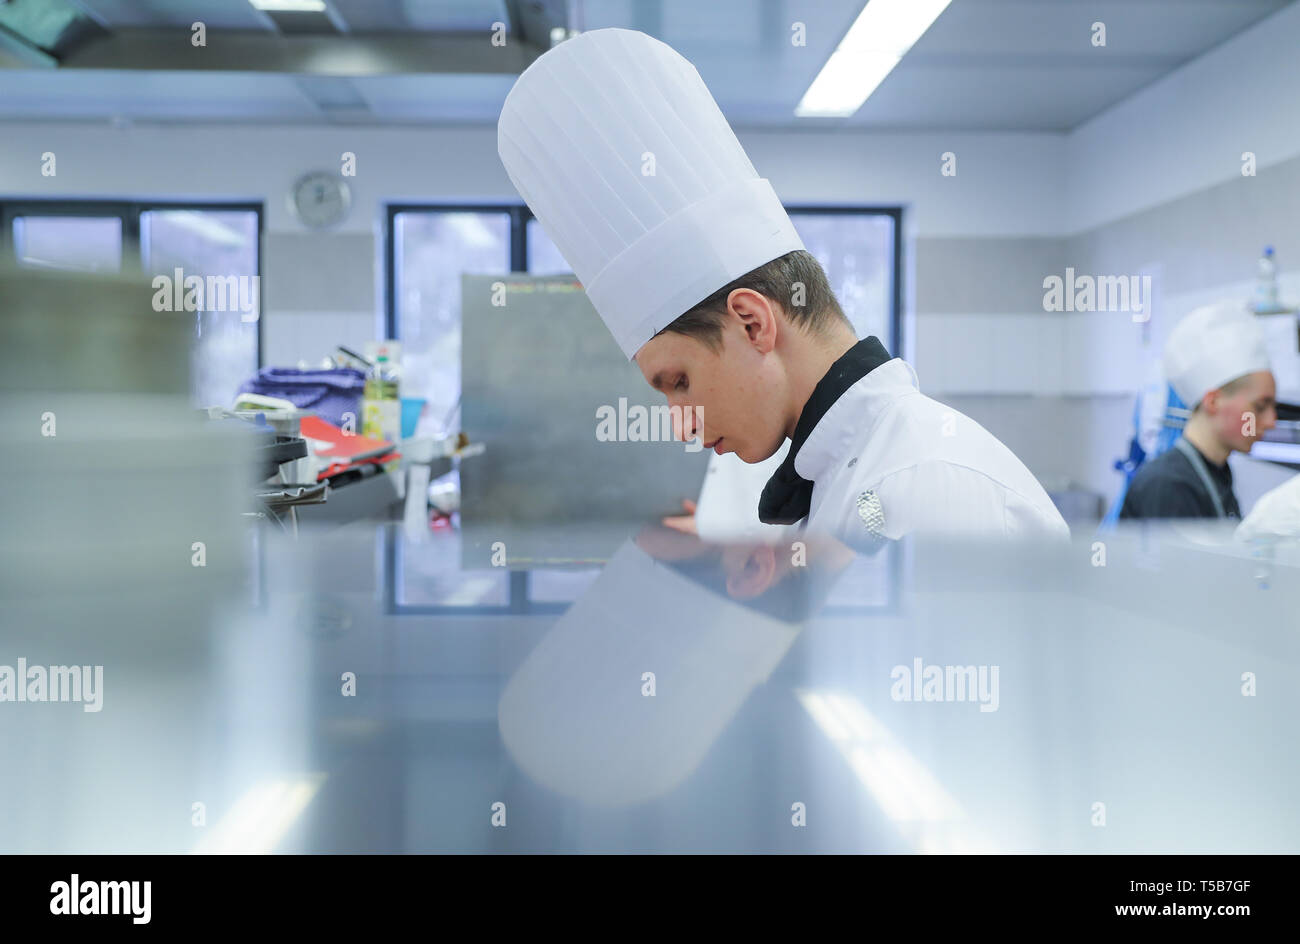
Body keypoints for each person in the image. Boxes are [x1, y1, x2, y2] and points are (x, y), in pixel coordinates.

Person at [498, 28, 1068, 547]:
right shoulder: (841, 478)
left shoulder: (922, 486)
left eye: (679, 381)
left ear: (752, 322)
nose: (683, 426)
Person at [1121, 301, 1276, 521]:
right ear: (1213, 402)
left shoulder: (1216, 472)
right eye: (1260, 407)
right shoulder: (1168, 485)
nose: (1271, 421)